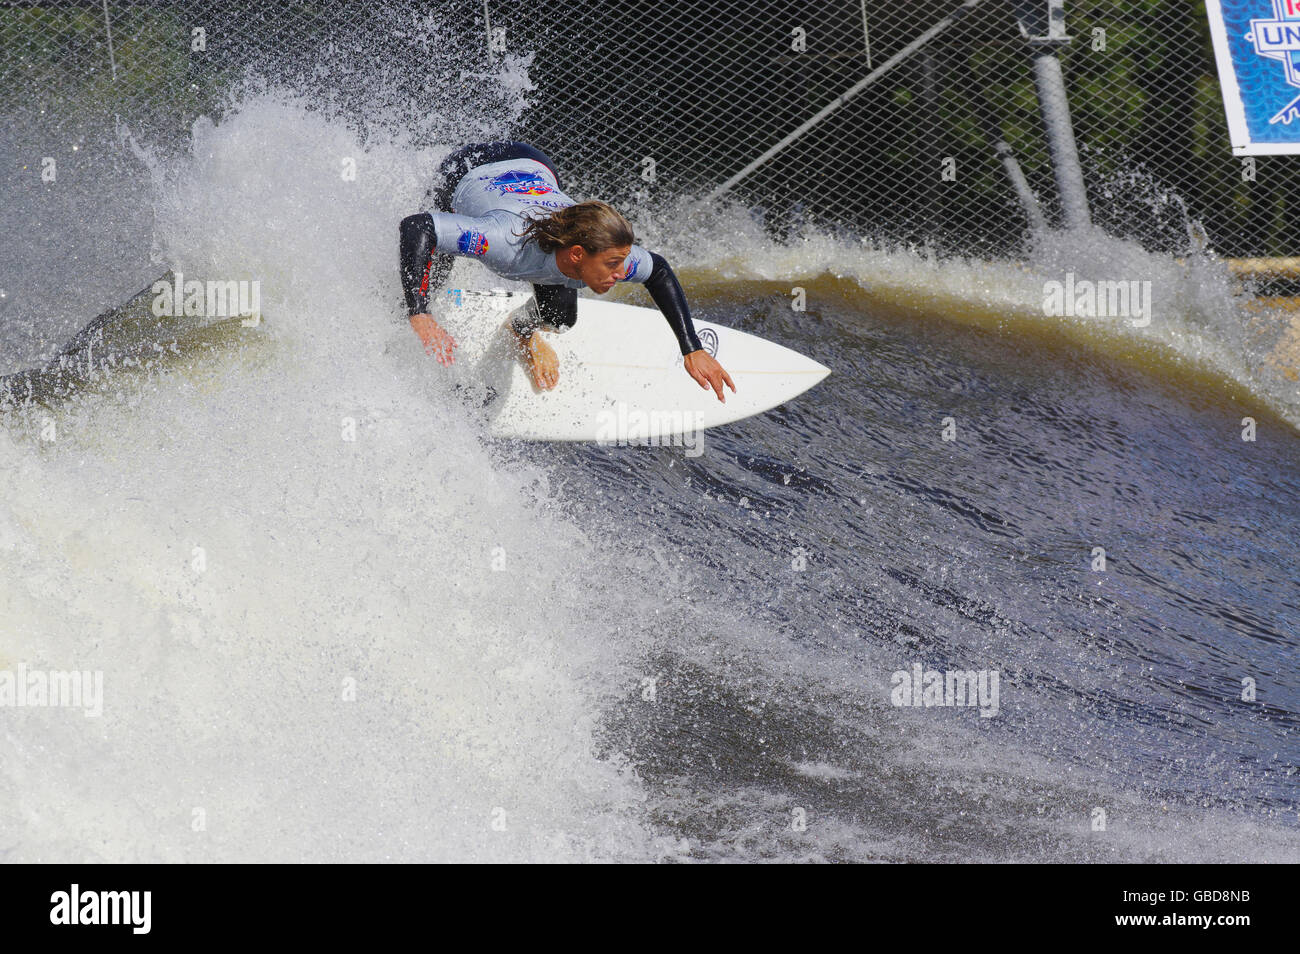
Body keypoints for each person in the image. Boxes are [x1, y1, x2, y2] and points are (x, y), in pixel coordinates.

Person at [398, 140, 736, 401]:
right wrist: (419, 312)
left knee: (560, 317)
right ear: (577, 254)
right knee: (427, 280)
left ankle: (521, 331)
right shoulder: (501, 241)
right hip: (466, 169)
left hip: (533, 162)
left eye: (622, 262)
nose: (621, 273)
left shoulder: (599, 252)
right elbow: (417, 227)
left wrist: (692, 347)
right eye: (612, 265)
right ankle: (409, 317)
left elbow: (658, 270)